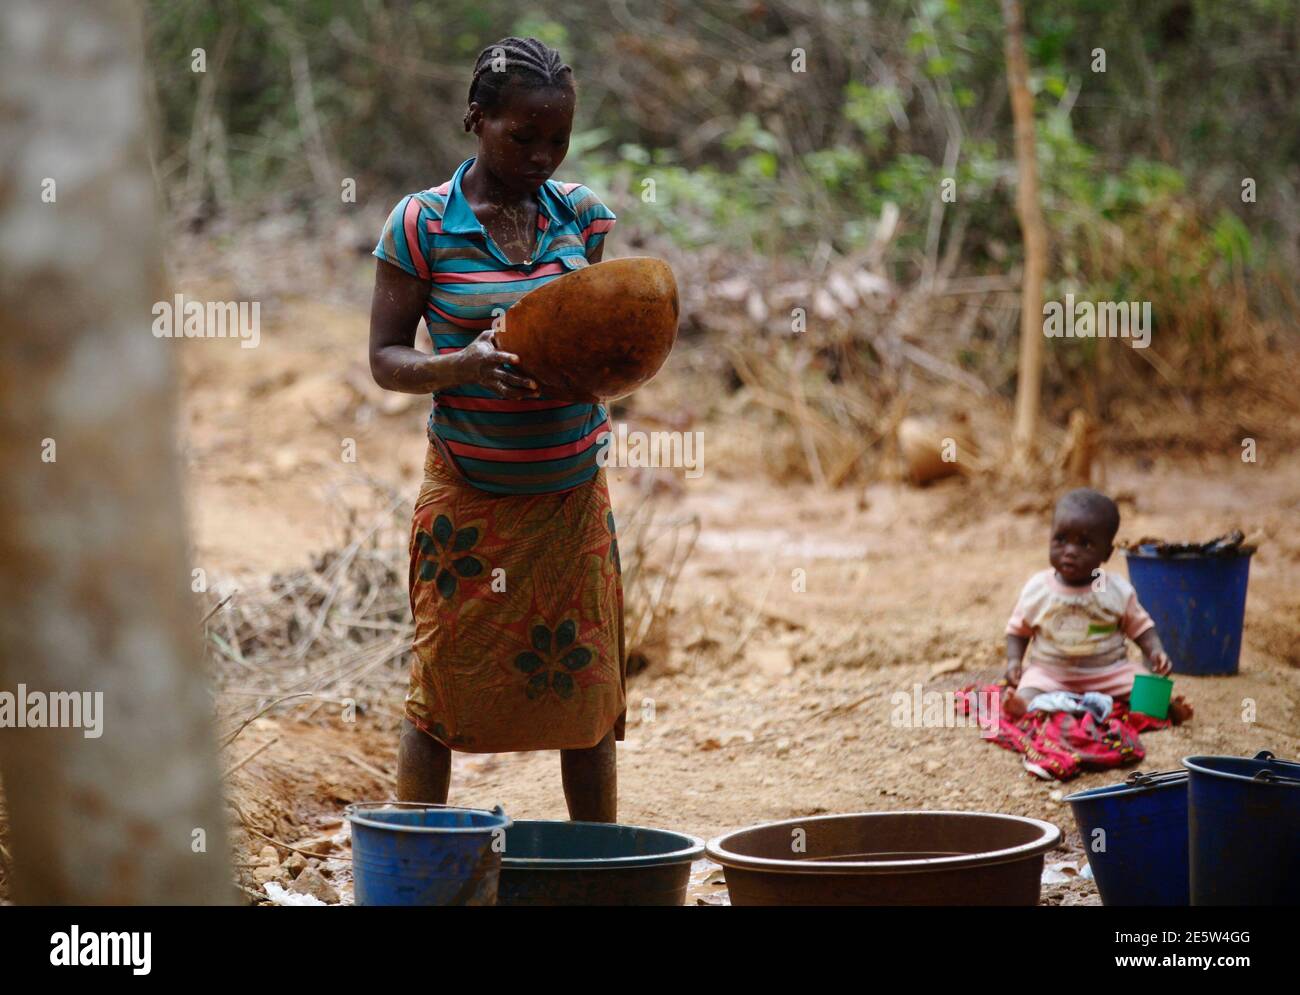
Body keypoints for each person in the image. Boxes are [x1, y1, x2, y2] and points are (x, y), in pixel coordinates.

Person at [367, 37, 623, 821]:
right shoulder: (420, 225)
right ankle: (417, 870)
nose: (543, 155)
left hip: (570, 497)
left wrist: (602, 368)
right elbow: (384, 359)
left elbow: (603, 339)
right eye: (524, 137)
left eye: (558, 139)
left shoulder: (582, 216)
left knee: (585, 697)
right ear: (477, 120)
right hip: (470, 503)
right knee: (440, 691)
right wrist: (464, 365)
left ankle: (604, 870)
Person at [1003, 488, 1191, 722]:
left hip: (1108, 672)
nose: (1070, 551)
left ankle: (1167, 707)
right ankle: (1023, 704)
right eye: (1061, 540)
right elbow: (1017, 630)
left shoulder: (1113, 589)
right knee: (1030, 685)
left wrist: (1155, 651)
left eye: (1085, 544)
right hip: (1052, 673)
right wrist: (1014, 661)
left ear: (1107, 552)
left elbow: (1140, 626)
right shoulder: (1038, 587)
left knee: (1142, 681)